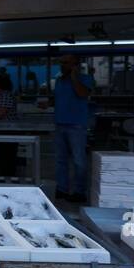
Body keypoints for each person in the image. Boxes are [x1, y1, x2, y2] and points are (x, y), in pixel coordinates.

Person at [52, 55, 95, 202]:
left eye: (66, 63)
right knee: (60, 160)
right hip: (60, 124)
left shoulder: (86, 79)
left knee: (78, 160)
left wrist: (74, 76)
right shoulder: (59, 81)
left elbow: (82, 94)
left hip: (77, 125)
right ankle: (62, 189)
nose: (62, 65)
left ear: (76, 65)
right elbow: (60, 99)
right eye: (61, 62)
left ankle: (79, 191)